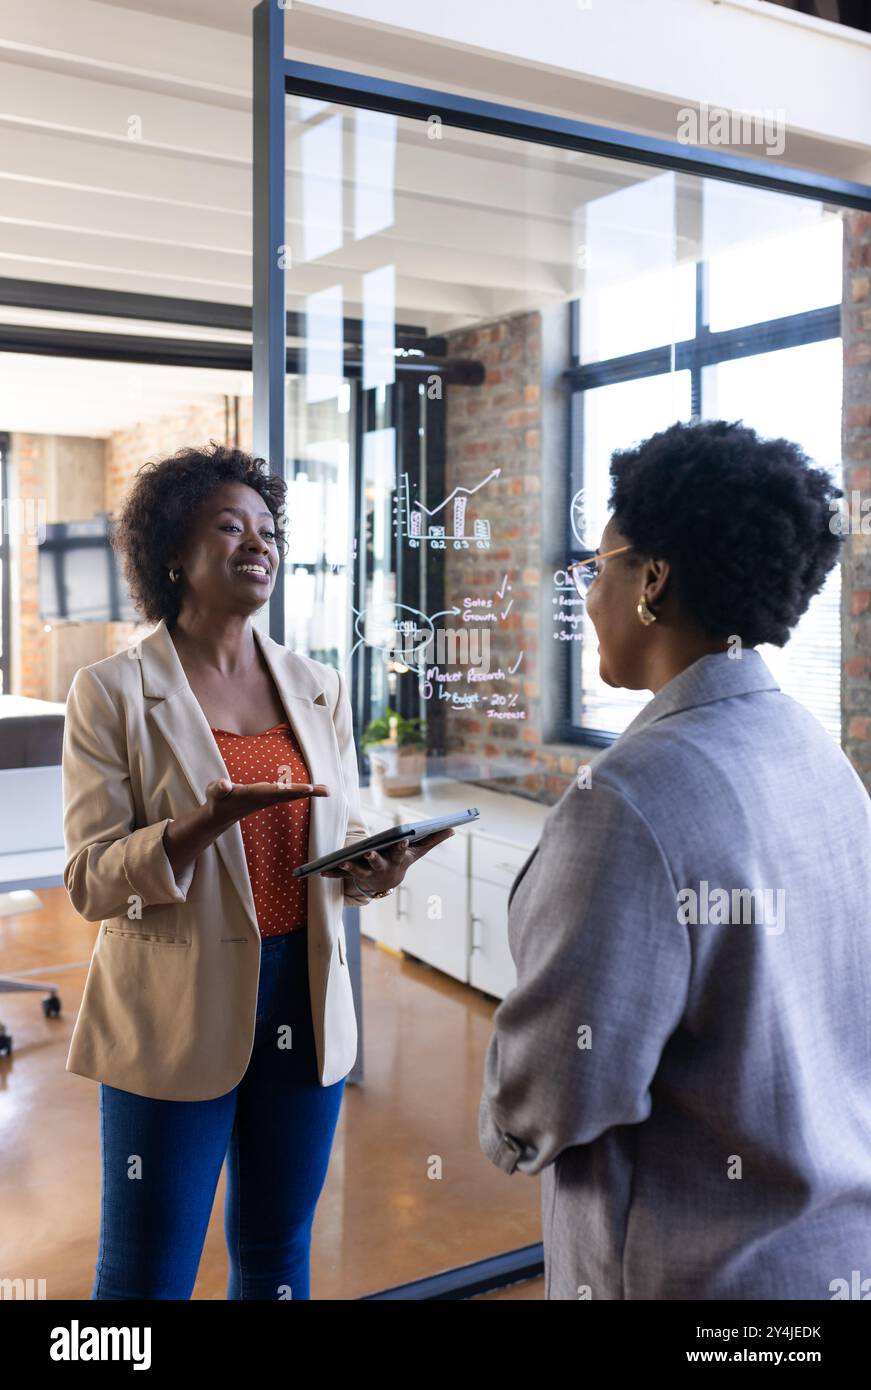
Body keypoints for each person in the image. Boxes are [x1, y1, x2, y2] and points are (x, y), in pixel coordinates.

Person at [479, 418, 871, 1300]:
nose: (584, 595)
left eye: (597, 566)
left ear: (651, 579)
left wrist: (503, 1120)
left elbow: (559, 1089)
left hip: (692, 1275)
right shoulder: (816, 753)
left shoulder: (628, 799)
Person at [62, 442, 452, 1300]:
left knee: (277, 1255)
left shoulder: (318, 687)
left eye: (268, 530)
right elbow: (90, 880)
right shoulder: (111, 692)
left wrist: (373, 870)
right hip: (171, 1008)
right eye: (229, 526)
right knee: (143, 1274)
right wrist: (197, 828)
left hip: (303, 1001)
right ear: (173, 553)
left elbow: (335, 842)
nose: (258, 543)